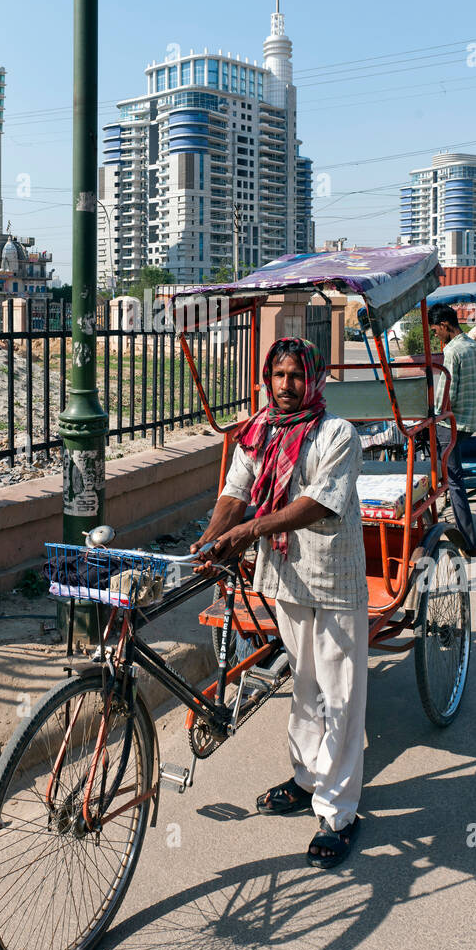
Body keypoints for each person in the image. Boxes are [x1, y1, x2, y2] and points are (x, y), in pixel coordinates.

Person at [190, 337, 368, 869]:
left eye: (295, 376)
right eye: (278, 375)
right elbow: (235, 491)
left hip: (334, 580)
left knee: (340, 693)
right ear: (266, 379)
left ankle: (338, 813)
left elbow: (315, 504)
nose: (286, 386)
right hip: (287, 579)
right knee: (304, 684)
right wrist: (208, 541)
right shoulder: (258, 431)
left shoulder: (337, 434)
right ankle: (305, 778)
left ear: (312, 380)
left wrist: (249, 531)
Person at [427, 304, 476, 558]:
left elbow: (444, 396)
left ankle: (469, 544)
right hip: (471, 422)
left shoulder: (452, 351)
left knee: (453, 482)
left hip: (452, 424)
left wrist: (429, 416)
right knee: (450, 478)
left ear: (446, 325)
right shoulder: (475, 347)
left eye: (436, 330)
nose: (436, 335)